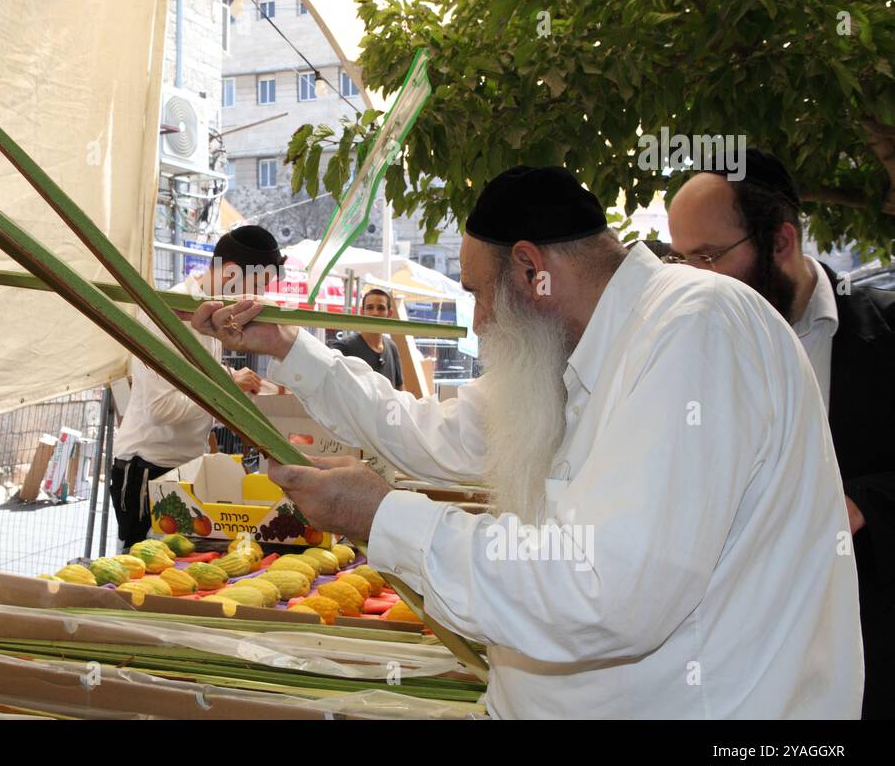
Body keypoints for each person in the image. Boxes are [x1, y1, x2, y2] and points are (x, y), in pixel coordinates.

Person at [192, 165, 863, 719]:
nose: (479, 323)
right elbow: (434, 436)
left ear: (530, 268)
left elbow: (604, 591)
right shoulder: (580, 348)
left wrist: (379, 514)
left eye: (478, 293)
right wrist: (291, 349)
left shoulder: (696, 328)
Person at [668, 149, 894, 719]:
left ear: (781, 243)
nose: (693, 281)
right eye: (681, 260)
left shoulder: (886, 333)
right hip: (729, 660)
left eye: (709, 257)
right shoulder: (683, 345)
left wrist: (863, 503)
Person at [108, 225, 283, 550]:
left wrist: (232, 381)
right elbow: (164, 408)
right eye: (255, 288)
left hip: (186, 463)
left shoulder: (211, 317)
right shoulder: (169, 317)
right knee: (141, 578)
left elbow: (195, 379)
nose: (256, 301)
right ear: (230, 273)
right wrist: (229, 384)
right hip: (149, 467)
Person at [332, 289, 403, 389]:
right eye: (370, 307)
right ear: (362, 312)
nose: (375, 313)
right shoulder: (344, 348)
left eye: (381, 308)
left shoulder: (392, 347)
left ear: (390, 313)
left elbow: (399, 389)